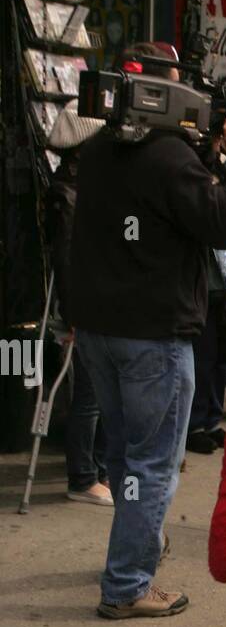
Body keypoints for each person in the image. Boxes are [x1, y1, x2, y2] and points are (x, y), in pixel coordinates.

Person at [67, 41, 226, 618]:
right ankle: (127, 585)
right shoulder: (169, 156)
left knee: (128, 456)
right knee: (152, 463)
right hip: (152, 335)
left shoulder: (101, 147)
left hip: (102, 331)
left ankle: (138, 546)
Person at [45, 103, 113, 507]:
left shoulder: (85, 185)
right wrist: (73, 317)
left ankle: (96, 470)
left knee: (99, 394)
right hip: (84, 307)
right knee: (89, 395)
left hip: (96, 302)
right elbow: (66, 260)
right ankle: (83, 476)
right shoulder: (68, 194)